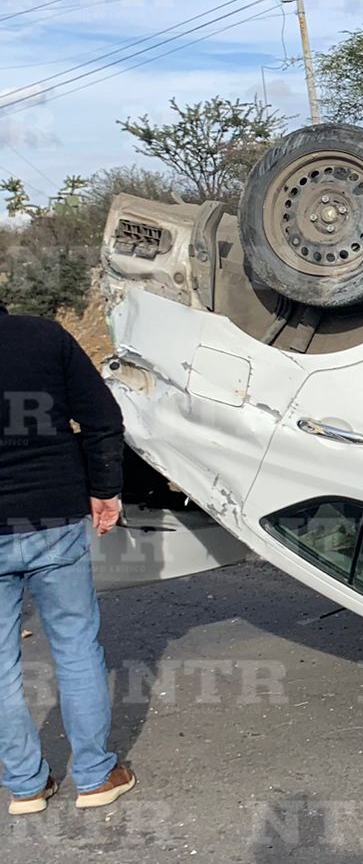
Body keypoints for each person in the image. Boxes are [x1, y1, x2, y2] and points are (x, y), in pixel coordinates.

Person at [0, 299, 135, 815]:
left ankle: (25, 786)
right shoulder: (44, 337)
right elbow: (103, 417)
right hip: (53, 518)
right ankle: (98, 776)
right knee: (76, 647)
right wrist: (106, 489)